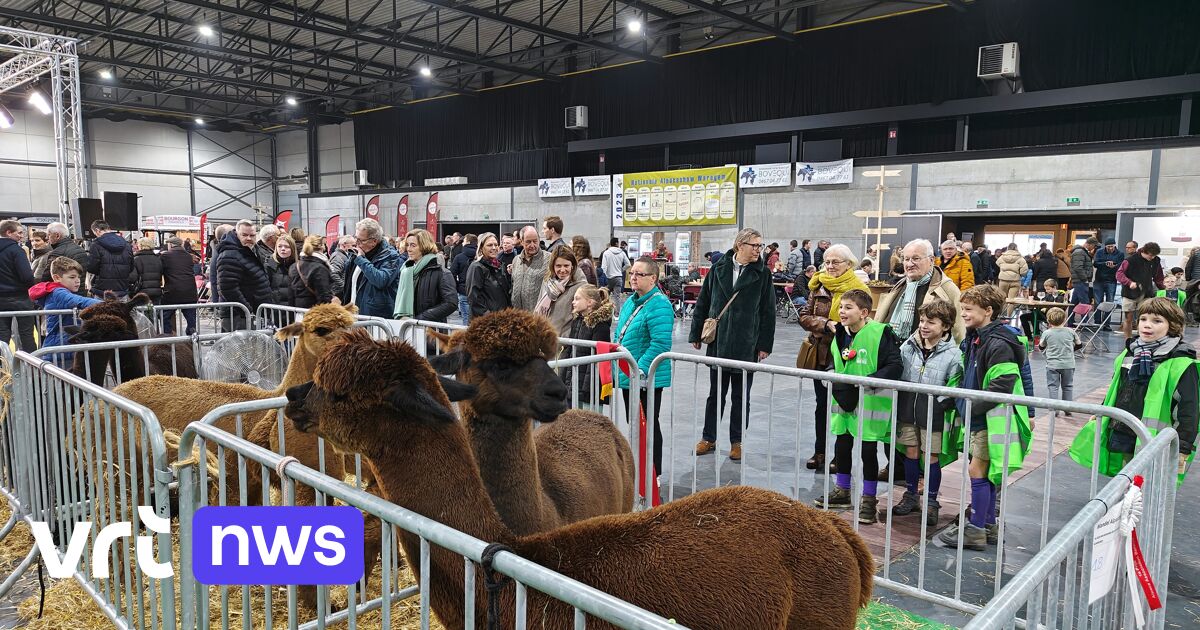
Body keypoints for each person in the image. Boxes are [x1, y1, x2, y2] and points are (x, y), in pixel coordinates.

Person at [938, 285, 1031, 551]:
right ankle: (987, 523)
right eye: (962, 309)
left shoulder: (999, 343)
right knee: (985, 471)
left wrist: (969, 408)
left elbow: (1001, 386)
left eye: (968, 309)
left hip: (989, 418)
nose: (963, 314)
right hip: (980, 415)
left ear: (988, 311)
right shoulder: (975, 337)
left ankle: (976, 529)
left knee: (977, 470)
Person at [1068, 297, 1197, 482]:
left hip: (1155, 438)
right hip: (1124, 430)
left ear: (1173, 325)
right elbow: (1117, 387)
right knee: (1126, 481)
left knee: (1151, 486)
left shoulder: (1181, 363)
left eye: (1157, 321)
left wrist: (1183, 447)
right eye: (1143, 319)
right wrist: (1101, 409)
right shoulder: (1129, 353)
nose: (1147, 325)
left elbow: (1189, 410)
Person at [812, 289, 902, 524]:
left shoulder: (881, 333)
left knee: (868, 452)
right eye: (841, 307)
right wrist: (830, 373)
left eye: (848, 307)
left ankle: (869, 500)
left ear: (864, 312)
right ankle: (842, 491)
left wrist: (867, 382)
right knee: (842, 446)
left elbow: (894, 365)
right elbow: (835, 359)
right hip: (843, 402)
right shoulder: (840, 333)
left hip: (869, 402)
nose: (842, 312)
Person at [691, 228, 776, 462]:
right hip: (718, 342)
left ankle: (737, 442)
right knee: (714, 395)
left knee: (741, 397)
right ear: (740, 245)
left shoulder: (763, 274)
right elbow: (704, 301)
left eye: (761, 246)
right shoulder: (718, 268)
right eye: (754, 245)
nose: (759, 250)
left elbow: (768, 312)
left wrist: (764, 344)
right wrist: (696, 334)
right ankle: (708, 438)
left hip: (746, 344)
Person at [891, 299, 962, 526]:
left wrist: (941, 402)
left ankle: (931, 501)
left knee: (930, 455)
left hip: (934, 414)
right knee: (910, 451)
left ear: (946, 326)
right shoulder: (908, 346)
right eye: (922, 321)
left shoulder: (953, 354)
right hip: (907, 409)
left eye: (931, 322)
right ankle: (911, 494)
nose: (924, 326)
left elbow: (954, 384)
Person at [798, 243, 869, 470]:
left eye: (835, 262)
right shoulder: (818, 287)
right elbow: (804, 316)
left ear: (849, 264)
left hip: (847, 355)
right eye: (826, 262)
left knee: (844, 407)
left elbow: (865, 322)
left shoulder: (859, 290)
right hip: (820, 354)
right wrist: (826, 323)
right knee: (821, 406)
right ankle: (819, 451)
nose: (829, 266)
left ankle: (840, 457)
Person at [614, 256, 674, 473]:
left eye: (639, 274)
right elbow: (619, 332)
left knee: (648, 425)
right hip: (627, 374)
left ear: (653, 278)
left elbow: (660, 343)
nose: (634, 278)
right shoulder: (631, 301)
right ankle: (639, 470)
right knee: (635, 425)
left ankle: (654, 473)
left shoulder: (659, 304)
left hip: (646, 377)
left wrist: (638, 369)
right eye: (632, 274)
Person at [875, 238, 966, 342]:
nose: (909, 264)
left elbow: (959, 334)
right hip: (891, 353)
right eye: (906, 259)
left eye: (916, 258)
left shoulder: (947, 289)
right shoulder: (900, 285)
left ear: (931, 260)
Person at [28, 257, 102, 363]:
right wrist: (109, 305)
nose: (77, 281)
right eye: (72, 277)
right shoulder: (59, 292)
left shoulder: (59, 291)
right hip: (60, 350)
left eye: (78, 277)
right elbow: (79, 301)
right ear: (57, 278)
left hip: (63, 347)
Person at [561, 284, 615, 407]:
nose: (573, 302)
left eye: (577, 298)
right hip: (573, 382)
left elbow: (599, 359)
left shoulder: (600, 326)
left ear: (589, 302)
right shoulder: (577, 321)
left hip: (589, 387)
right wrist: (563, 377)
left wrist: (589, 388)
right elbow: (569, 351)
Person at [214, 220, 272, 331]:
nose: (249, 238)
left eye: (252, 235)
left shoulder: (250, 250)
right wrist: (247, 311)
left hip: (252, 313)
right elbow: (228, 289)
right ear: (236, 233)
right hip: (239, 316)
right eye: (244, 235)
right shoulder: (229, 255)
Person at [392, 228, 457, 322]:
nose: (408, 249)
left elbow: (451, 303)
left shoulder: (442, 273)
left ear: (424, 246)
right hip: (407, 328)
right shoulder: (405, 270)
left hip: (430, 330)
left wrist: (420, 319)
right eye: (407, 245)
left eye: (413, 245)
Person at [343, 218, 401, 319]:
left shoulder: (390, 256)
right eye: (356, 238)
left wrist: (361, 260)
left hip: (376, 318)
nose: (356, 243)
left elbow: (381, 280)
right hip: (355, 314)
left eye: (361, 240)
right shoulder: (356, 254)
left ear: (374, 241)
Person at [0, 220, 38, 351]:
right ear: (8, 232)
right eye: (19, 233)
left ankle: (2, 369)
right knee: (27, 335)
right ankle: (31, 370)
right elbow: (27, 276)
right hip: (20, 298)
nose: (22, 236)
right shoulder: (17, 251)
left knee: (2, 337)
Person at [1117, 242, 1165, 338]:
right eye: (1150, 255)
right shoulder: (1130, 260)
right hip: (1129, 293)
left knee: (1145, 318)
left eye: (1154, 255)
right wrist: (1129, 283)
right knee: (1128, 319)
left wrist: (1163, 288)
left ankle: (1142, 340)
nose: (1152, 258)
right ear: (1144, 251)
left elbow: (1158, 276)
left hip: (1146, 293)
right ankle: (1128, 340)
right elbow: (1119, 274)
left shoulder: (1156, 260)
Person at [1039, 307, 1081, 415]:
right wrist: (1071, 351)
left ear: (1048, 320)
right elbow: (1079, 344)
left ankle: (1054, 410)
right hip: (1068, 364)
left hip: (1052, 365)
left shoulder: (1047, 333)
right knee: (1067, 386)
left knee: (1053, 387)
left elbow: (1041, 346)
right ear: (1064, 319)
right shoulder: (1071, 331)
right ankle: (1067, 409)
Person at [536, 247, 586, 336]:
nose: (562, 270)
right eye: (558, 266)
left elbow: (583, 317)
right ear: (552, 266)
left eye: (566, 266)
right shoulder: (547, 281)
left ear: (572, 266)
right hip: (545, 338)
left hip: (566, 343)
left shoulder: (580, 285)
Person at [465, 232, 511, 318]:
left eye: (496, 245)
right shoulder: (476, 267)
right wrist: (489, 317)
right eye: (490, 245)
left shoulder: (500, 266)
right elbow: (474, 298)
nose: (494, 248)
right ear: (481, 248)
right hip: (486, 323)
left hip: (501, 319)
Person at [159, 237, 199, 335]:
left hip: (172, 292)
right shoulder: (190, 256)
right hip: (190, 293)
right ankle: (192, 338)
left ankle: (169, 337)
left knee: (164, 316)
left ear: (171, 245)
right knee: (191, 320)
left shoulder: (165, 256)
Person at [39, 222, 90, 294]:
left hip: (64, 295)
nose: (47, 238)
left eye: (49, 235)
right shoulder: (80, 249)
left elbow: (47, 278)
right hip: (79, 293)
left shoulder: (58, 253)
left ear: (57, 235)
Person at [86, 221, 134, 298]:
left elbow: (91, 268)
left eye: (94, 233)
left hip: (102, 291)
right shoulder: (127, 245)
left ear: (97, 230)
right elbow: (131, 268)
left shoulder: (96, 245)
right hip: (122, 290)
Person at [510, 226, 549, 311]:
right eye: (528, 242)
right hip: (518, 316)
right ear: (521, 242)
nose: (532, 245)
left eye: (535, 241)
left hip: (539, 317)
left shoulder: (549, 258)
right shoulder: (516, 260)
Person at [290, 235, 334, 308]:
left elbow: (290, 294)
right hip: (315, 312)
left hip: (298, 310)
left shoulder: (294, 266)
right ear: (322, 246)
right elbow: (324, 296)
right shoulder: (320, 268)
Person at [450, 233, 478, 324]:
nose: (462, 243)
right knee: (478, 319)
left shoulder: (459, 257)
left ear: (468, 242)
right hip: (479, 291)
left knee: (466, 318)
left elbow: (452, 274)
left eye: (464, 241)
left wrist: (457, 287)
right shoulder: (480, 256)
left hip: (463, 290)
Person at [1092, 238, 1123, 323]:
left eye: (1112, 246)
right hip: (1099, 280)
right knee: (1098, 302)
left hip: (1112, 280)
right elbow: (1095, 263)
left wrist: (1114, 266)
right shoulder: (1099, 252)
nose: (1110, 248)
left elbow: (1121, 265)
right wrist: (1105, 263)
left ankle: (1106, 323)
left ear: (1114, 245)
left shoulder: (1120, 254)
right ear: (1105, 246)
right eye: (1108, 246)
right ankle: (1097, 322)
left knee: (1110, 302)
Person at [128, 237, 163, 304]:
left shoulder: (136, 259)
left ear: (140, 245)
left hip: (141, 293)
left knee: (141, 313)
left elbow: (133, 278)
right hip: (156, 292)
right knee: (155, 313)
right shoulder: (158, 259)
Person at [268, 234, 297, 306]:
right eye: (279, 246)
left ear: (292, 249)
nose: (283, 249)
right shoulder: (269, 265)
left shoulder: (298, 267)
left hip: (293, 309)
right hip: (275, 310)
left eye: (287, 246)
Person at [1070, 237, 1099, 306]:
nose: (1094, 248)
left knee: (1074, 303)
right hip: (1081, 281)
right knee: (1085, 302)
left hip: (1079, 280)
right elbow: (1078, 268)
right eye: (1094, 246)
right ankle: (1085, 317)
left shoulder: (1081, 252)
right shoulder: (1080, 252)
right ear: (1089, 245)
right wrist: (1085, 279)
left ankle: (1070, 317)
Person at [328, 236, 355, 303]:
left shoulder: (343, 255)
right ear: (344, 245)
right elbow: (333, 274)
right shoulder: (338, 256)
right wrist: (344, 287)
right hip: (339, 293)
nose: (354, 247)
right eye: (353, 245)